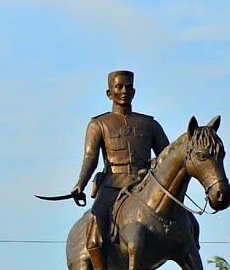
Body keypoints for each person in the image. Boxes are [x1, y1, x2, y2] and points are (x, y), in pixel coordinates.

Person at [63, 70, 170, 257]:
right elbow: (90, 158)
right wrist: (80, 184)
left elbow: (167, 156)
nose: (124, 91)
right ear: (109, 93)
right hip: (113, 184)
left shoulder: (149, 124)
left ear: (134, 92)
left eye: (128, 87)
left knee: (184, 219)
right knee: (96, 218)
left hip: (144, 183)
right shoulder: (99, 124)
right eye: (119, 87)